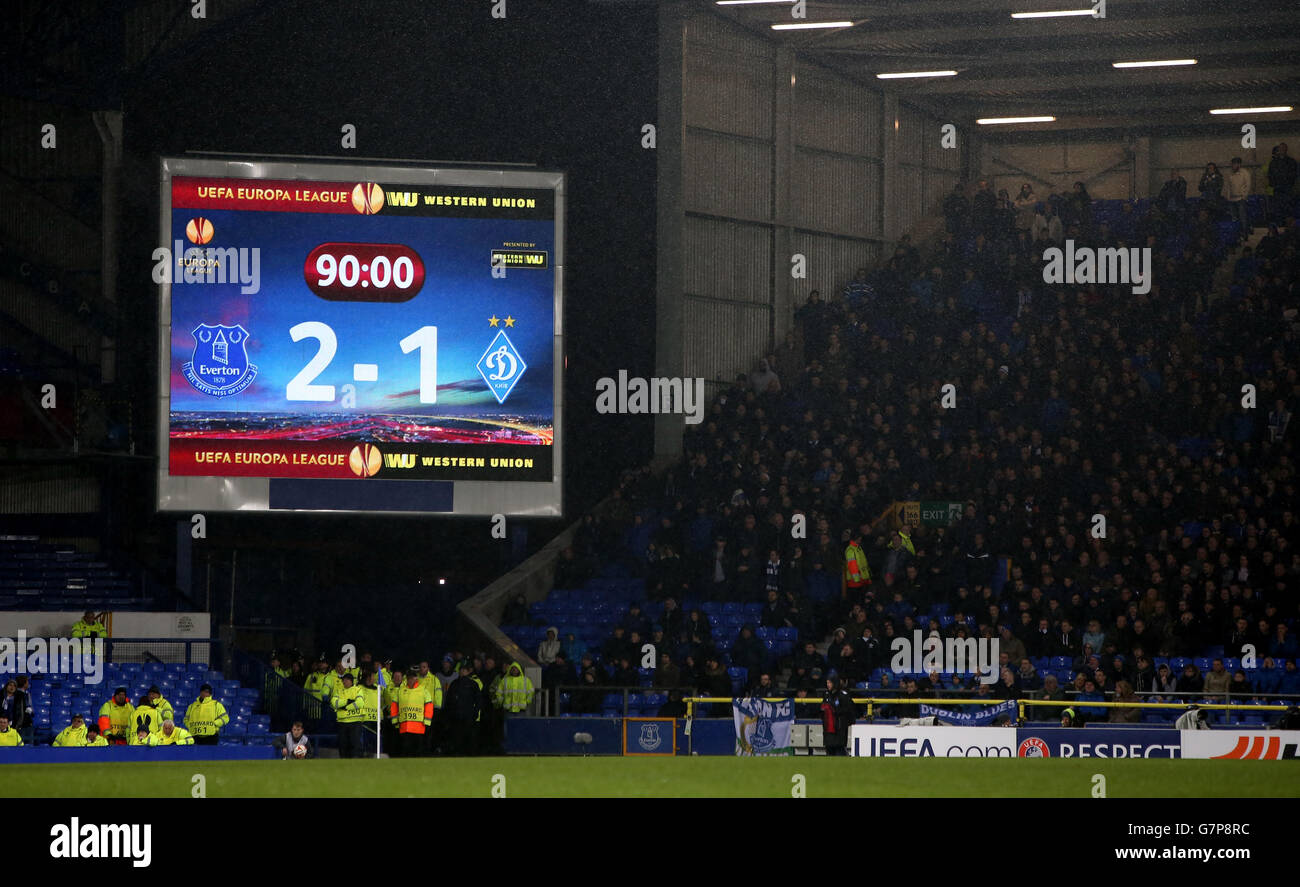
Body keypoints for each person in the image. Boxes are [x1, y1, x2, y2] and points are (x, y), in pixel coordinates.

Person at [390, 669, 434, 758]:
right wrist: (395, 721)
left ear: (416, 678)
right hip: (404, 726)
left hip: (419, 727)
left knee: (417, 751)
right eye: (408, 678)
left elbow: (429, 706)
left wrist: (427, 722)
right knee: (406, 751)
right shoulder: (400, 691)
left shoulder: (423, 690)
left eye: (412, 678)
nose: (410, 680)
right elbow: (394, 706)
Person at [445, 662, 482, 756]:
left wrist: (475, 712)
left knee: (468, 737)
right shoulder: (454, 683)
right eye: (461, 670)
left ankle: (469, 754)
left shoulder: (473, 684)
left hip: (468, 715)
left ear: (468, 671)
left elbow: (478, 700)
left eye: (464, 670)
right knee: (457, 737)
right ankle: (459, 753)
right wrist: (449, 713)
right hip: (457, 716)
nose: (462, 672)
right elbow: (449, 700)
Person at [331, 671, 366, 759]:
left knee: (355, 744)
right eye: (343, 680)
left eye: (346, 680)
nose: (344, 682)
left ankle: (355, 761)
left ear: (351, 681)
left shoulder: (358, 689)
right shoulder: (339, 691)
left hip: (355, 722)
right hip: (342, 722)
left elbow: (360, 703)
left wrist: (345, 707)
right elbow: (334, 703)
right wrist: (347, 701)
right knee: (343, 745)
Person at [820, 675, 857, 756]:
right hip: (828, 729)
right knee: (829, 751)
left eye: (829, 683)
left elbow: (849, 710)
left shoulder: (843, 695)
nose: (828, 685)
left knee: (840, 751)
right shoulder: (826, 695)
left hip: (839, 729)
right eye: (827, 683)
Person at [1224, 156, 1252, 237]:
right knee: (1234, 218)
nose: (1233, 166)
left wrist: (1244, 197)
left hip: (1240, 198)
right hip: (1232, 199)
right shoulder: (1230, 174)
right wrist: (1228, 197)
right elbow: (1228, 186)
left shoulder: (1245, 173)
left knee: (1242, 217)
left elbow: (1248, 185)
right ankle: (1236, 233)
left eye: (1235, 164)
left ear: (1239, 164)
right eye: (1232, 164)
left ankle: (1244, 233)